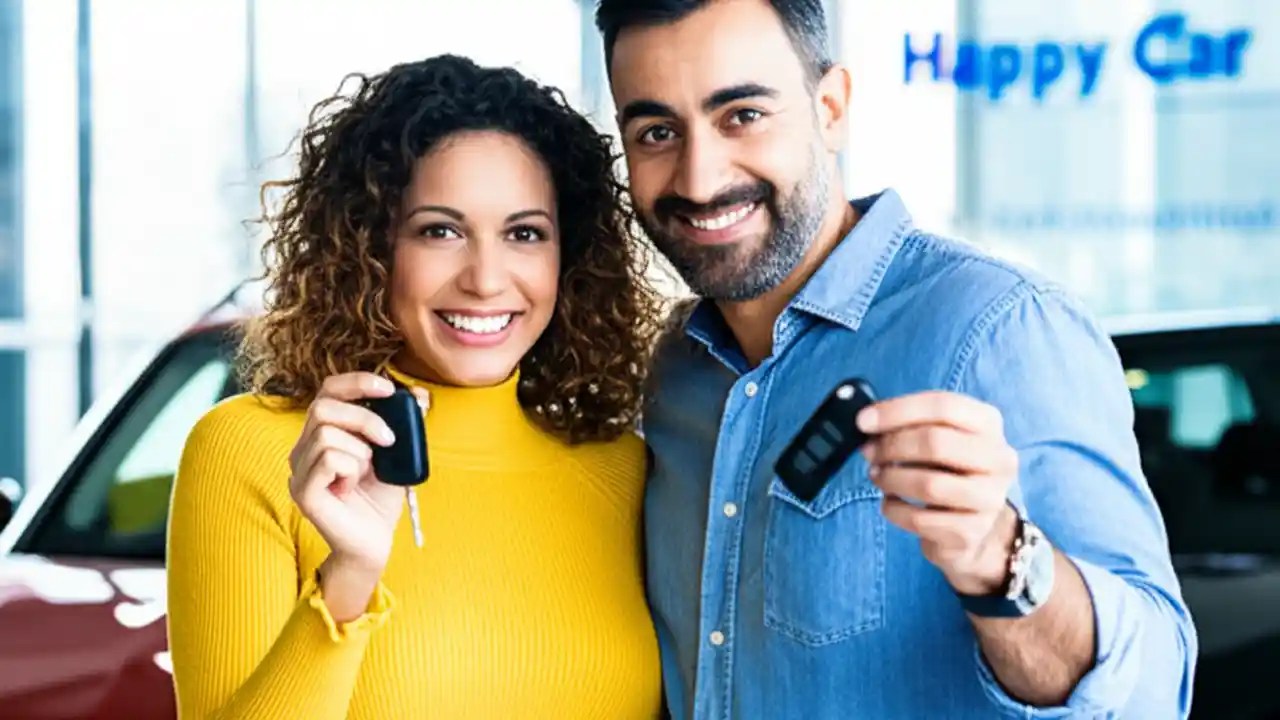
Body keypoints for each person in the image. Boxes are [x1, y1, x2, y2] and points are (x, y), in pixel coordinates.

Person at [594, 0, 1198, 717]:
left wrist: (1003, 559)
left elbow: (1153, 691)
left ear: (831, 109)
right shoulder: (675, 376)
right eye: (657, 132)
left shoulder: (1000, 327)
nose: (698, 178)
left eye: (743, 115)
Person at [166, 54, 666, 719]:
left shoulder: (625, 471)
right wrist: (350, 573)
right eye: (440, 231)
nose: (486, 279)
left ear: (565, 256)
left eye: (524, 233)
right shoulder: (251, 453)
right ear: (372, 248)